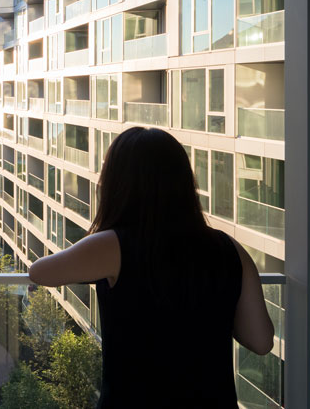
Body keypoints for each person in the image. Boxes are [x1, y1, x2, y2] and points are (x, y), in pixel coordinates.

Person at [27, 127, 273, 408]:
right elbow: (261, 341)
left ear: (119, 184)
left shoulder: (114, 246)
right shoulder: (231, 250)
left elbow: (40, 272)